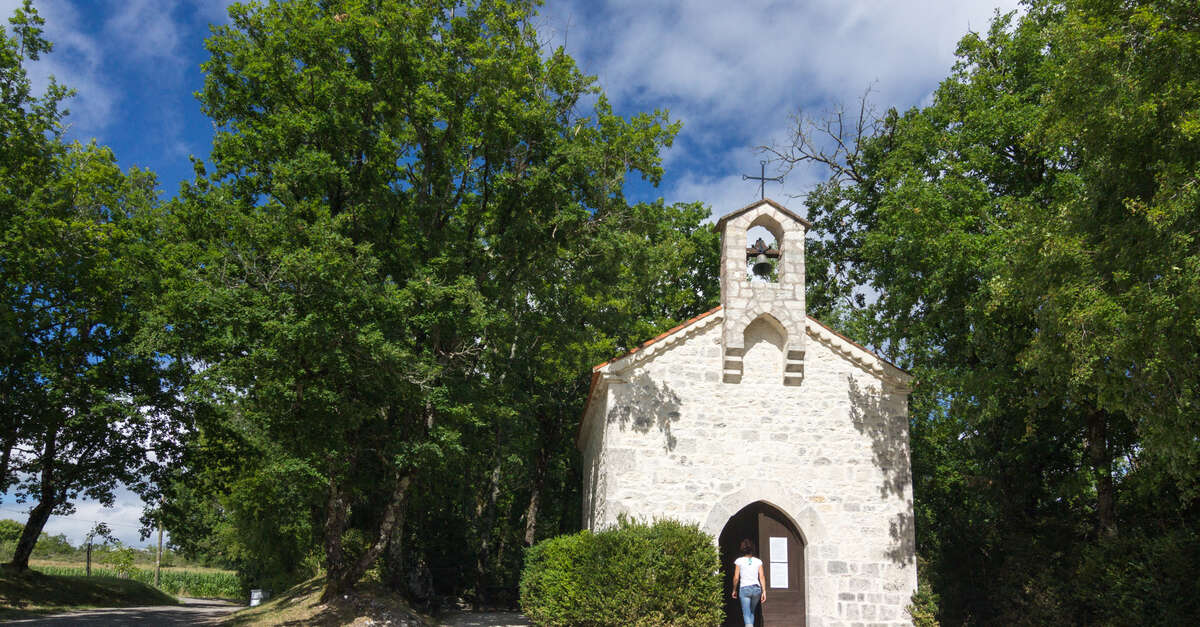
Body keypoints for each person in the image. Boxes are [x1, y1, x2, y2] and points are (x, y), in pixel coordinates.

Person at [731, 538, 766, 627]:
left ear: (742, 549)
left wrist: (734, 590)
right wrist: (764, 591)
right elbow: (761, 576)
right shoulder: (758, 561)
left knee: (746, 613)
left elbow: (736, 577)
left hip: (745, 588)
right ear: (752, 549)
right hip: (756, 589)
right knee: (751, 612)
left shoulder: (739, 561)